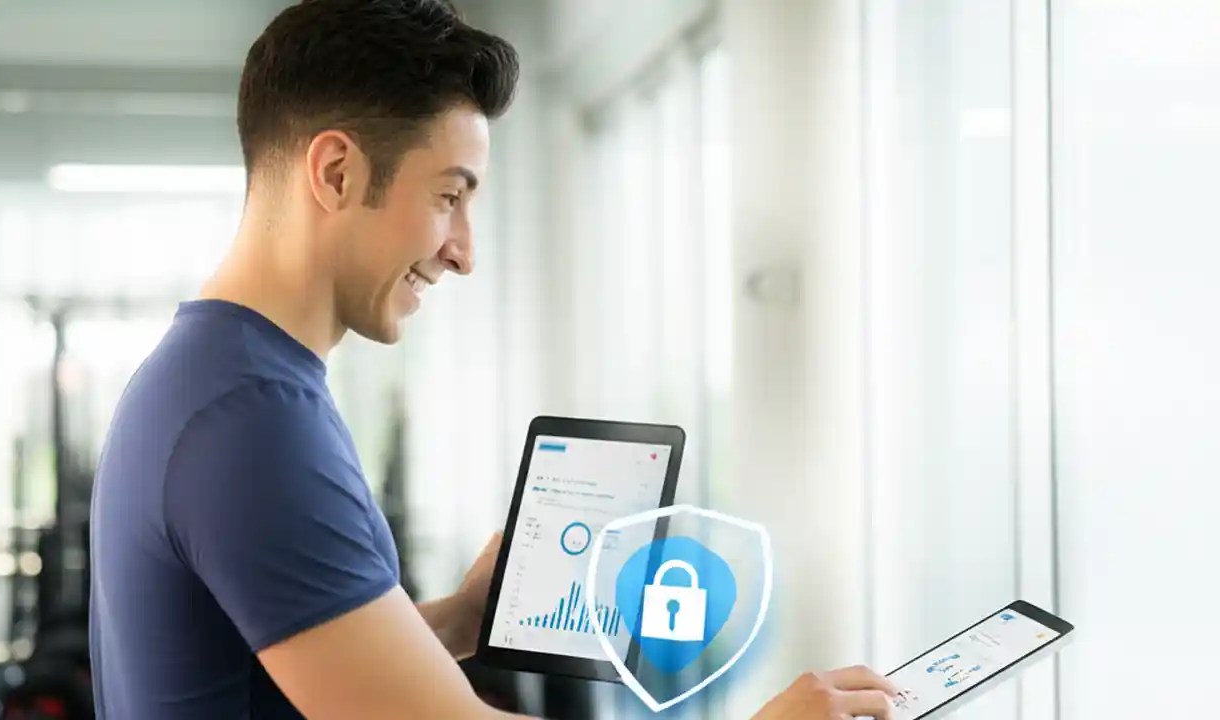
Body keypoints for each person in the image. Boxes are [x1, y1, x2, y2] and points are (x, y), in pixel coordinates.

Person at [88, 1, 898, 718]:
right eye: (449, 196)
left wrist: (458, 620)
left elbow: (284, 672)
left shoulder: (204, 377)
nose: (463, 252)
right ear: (337, 173)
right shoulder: (254, 420)